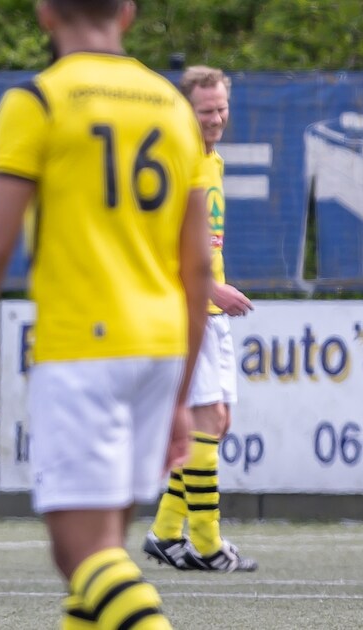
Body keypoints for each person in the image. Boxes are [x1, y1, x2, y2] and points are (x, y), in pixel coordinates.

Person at [0, 1, 212, 628]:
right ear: (127, 13)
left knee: (80, 553)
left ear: (46, 12)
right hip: (160, 347)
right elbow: (199, 269)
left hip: (84, 347)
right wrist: (182, 393)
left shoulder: (40, 100)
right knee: (103, 560)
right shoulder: (173, 107)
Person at [143, 66, 258, 573]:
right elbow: (158, 243)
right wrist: (212, 289)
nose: (216, 118)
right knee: (206, 421)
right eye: (205, 110)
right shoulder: (175, 159)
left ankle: (166, 534)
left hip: (210, 308)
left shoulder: (214, 161)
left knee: (217, 424)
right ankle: (207, 545)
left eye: (221, 108)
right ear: (184, 110)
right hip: (187, 306)